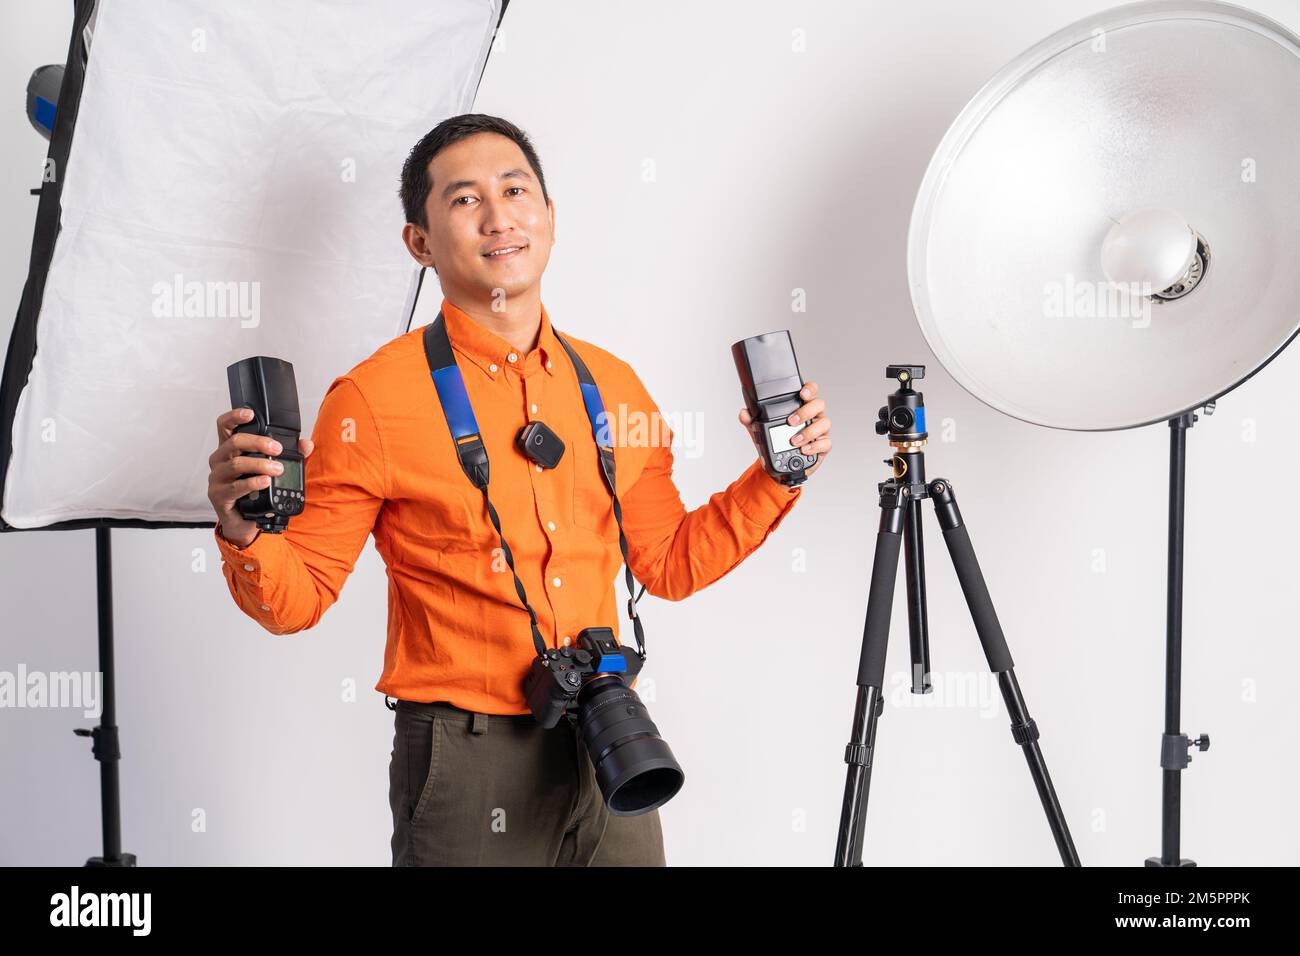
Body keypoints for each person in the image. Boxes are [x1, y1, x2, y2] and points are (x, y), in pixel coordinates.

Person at [205, 114, 833, 866]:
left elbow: (668, 563)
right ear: (421, 242)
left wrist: (773, 475)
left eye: (515, 190)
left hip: (609, 736)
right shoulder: (371, 399)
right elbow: (297, 598)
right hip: (467, 756)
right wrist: (244, 530)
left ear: (550, 218)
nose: (499, 216)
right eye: (465, 200)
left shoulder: (615, 386)